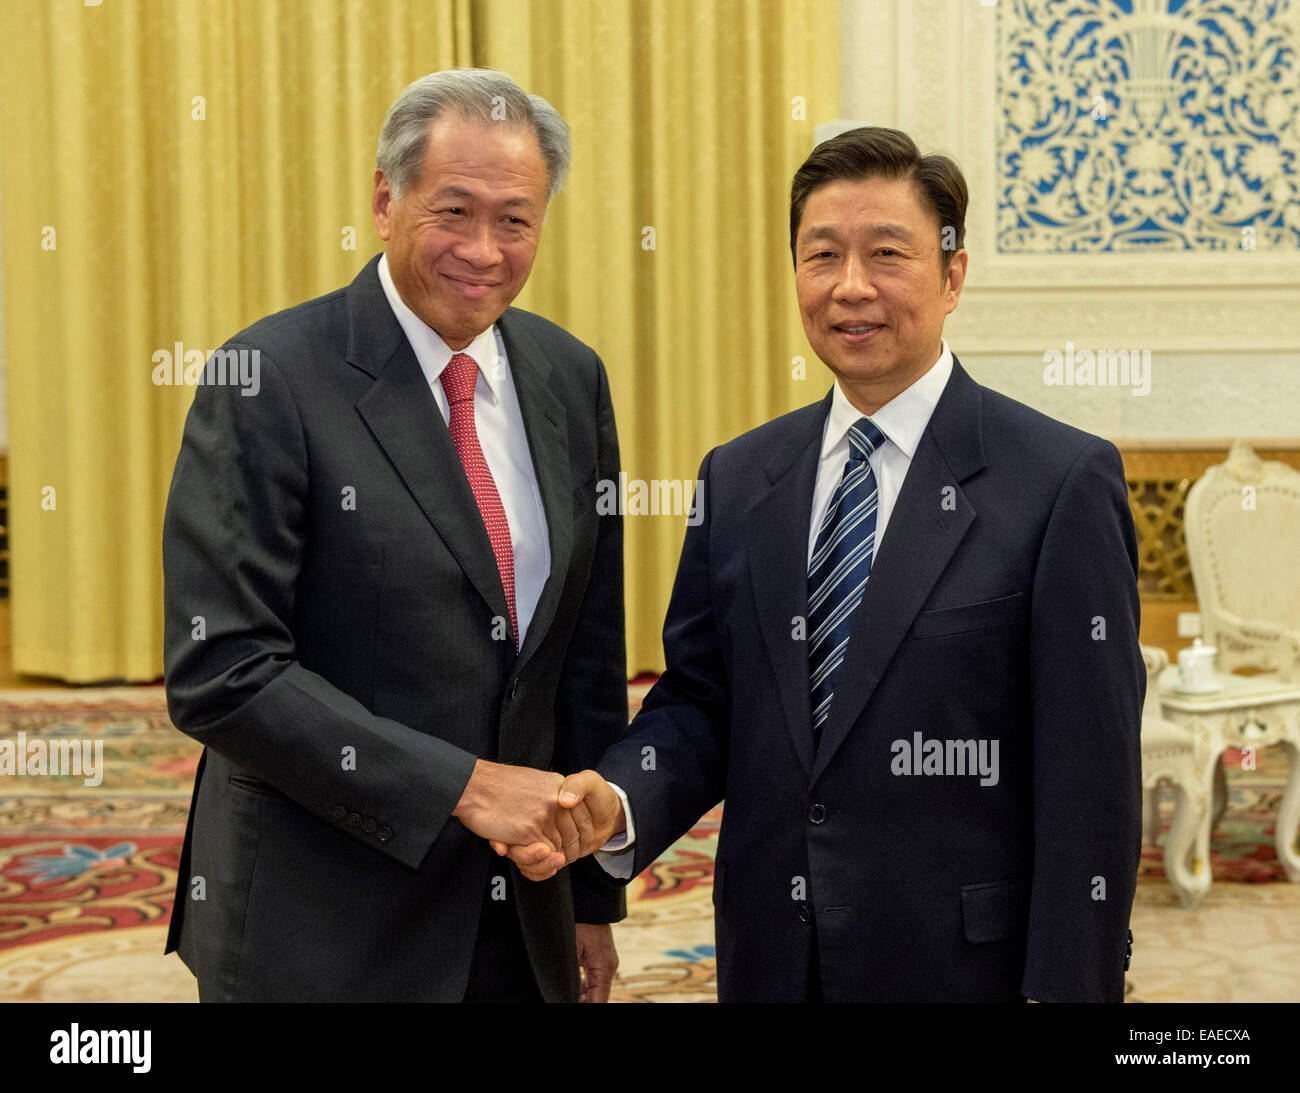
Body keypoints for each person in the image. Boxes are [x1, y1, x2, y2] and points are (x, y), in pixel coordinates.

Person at [506, 126, 1144, 1003]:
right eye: (823, 255)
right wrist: (617, 804)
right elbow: (703, 700)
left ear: (953, 276)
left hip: (966, 969)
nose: (851, 286)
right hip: (773, 961)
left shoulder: (1058, 480)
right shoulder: (740, 475)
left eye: (887, 254)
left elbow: (1091, 777)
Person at [161, 68, 627, 1002]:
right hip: (322, 920)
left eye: (516, 219)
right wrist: (466, 787)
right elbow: (223, 673)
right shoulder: (270, 377)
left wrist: (588, 894)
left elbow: (583, 654)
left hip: (514, 916)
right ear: (385, 199)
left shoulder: (570, 378)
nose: (483, 250)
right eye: (452, 209)